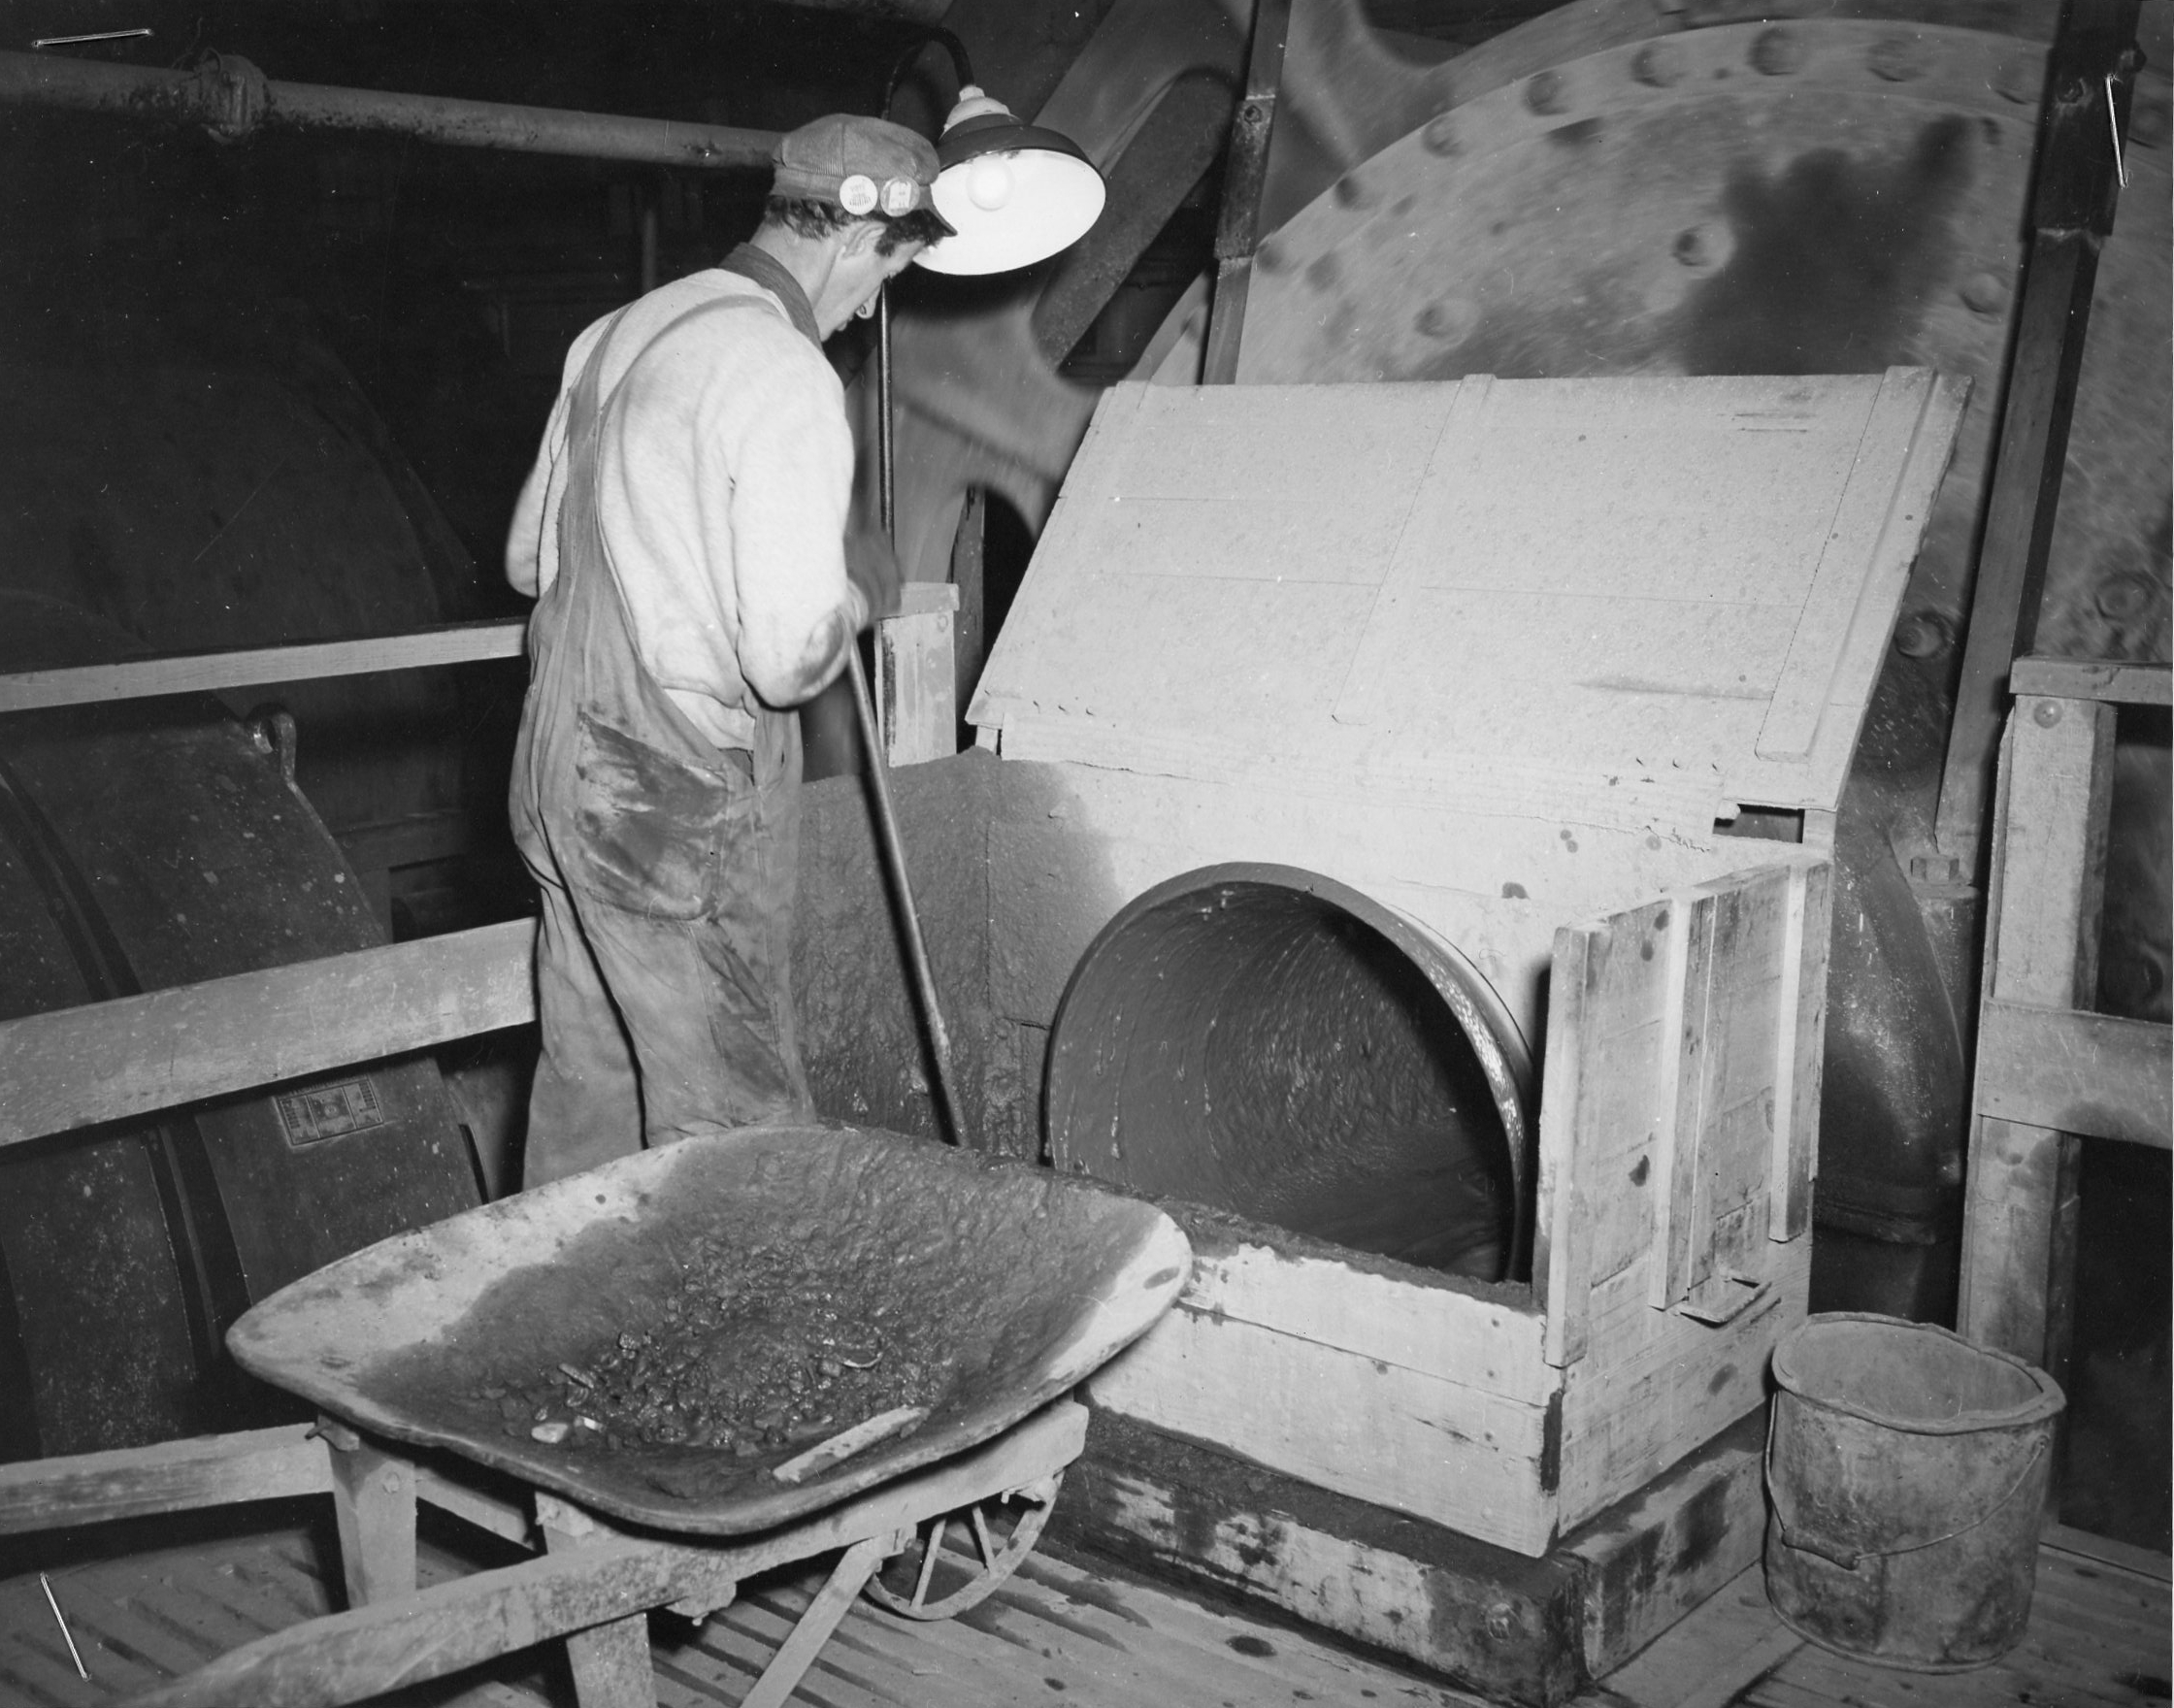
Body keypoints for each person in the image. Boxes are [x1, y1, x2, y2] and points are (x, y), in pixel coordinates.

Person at [505, 115, 952, 1189]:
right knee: (734, 1129)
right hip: (664, 814)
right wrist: (854, 590)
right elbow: (787, 662)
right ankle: (740, 1354)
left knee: (591, 1092)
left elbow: (529, 559)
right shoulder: (782, 372)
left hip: (552, 778)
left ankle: (562, 1338)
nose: (871, 306)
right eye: (885, 270)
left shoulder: (616, 332)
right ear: (851, 237)